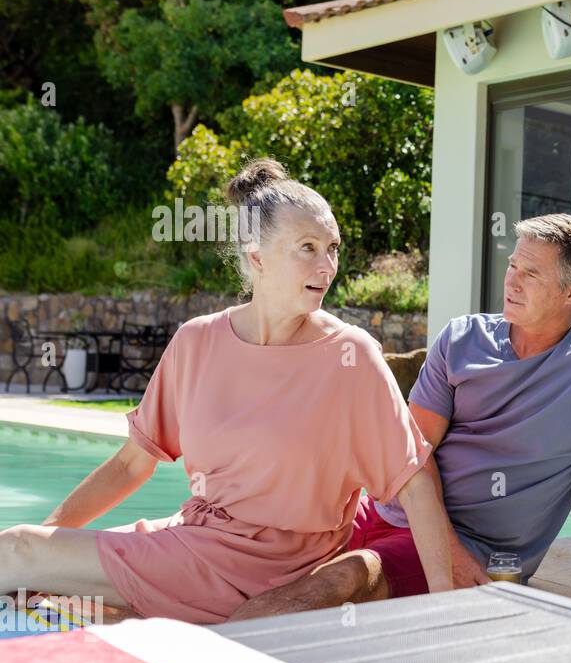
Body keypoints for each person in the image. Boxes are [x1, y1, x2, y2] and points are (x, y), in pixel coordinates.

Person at [0, 158, 453, 624]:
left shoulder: (351, 354)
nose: (328, 265)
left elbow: (415, 484)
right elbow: (131, 464)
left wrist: (450, 613)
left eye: (333, 248)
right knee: (30, 570)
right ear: (256, 256)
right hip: (190, 546)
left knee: (15, 554)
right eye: (309, 248)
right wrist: (46, 536)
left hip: (274, 574)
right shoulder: (196, 342)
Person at [228, 214, 571, 621]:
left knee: (338, 584)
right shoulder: (462, 339)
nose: (511, 280)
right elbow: (412, 453)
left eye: (530, 273)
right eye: (513, 265)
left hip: (471, 544)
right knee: (239, 545)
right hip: (380, 508)